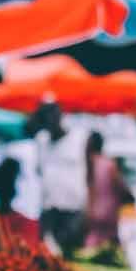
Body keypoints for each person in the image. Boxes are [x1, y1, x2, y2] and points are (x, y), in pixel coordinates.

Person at [31, 100, 88, 255]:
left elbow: (91, 173)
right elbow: (39, 170)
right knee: (48, 253)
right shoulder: (41, 140)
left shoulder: (80, 138)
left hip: (74, 206)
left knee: (69, 252)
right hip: (49, 206)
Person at [82, 133, 129, 252]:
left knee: (94, 239)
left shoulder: (88, 163)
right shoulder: (108, 164)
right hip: (109, 210)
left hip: (93, 209)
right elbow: (120, 185)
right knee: (111, 240)